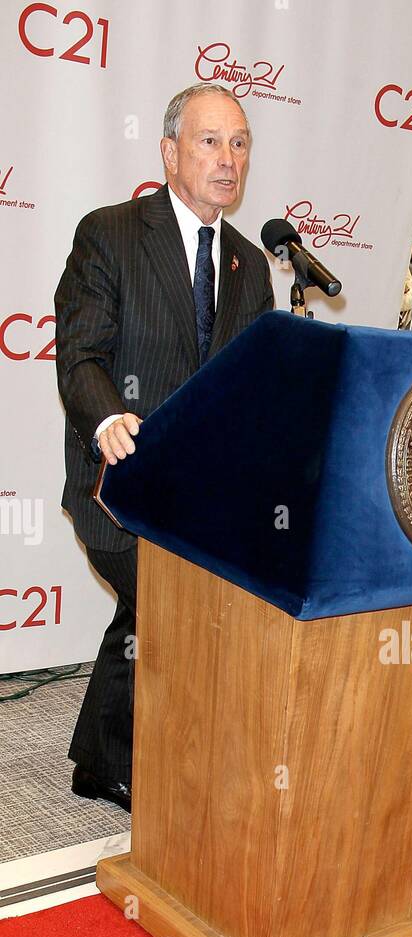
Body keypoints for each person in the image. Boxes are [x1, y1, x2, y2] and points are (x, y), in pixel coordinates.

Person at [55, 83, 274, 812]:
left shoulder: (252, 263)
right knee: (163, 607)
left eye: (239, 143)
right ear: (169, 152)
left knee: (149, 614)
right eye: (210, 141)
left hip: (200, 498)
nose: (228, 159)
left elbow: (249, 386)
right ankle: (124, 763)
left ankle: (100, 758)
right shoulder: (111, 233)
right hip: (114, 486)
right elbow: (79, 354)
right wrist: (105, 418)